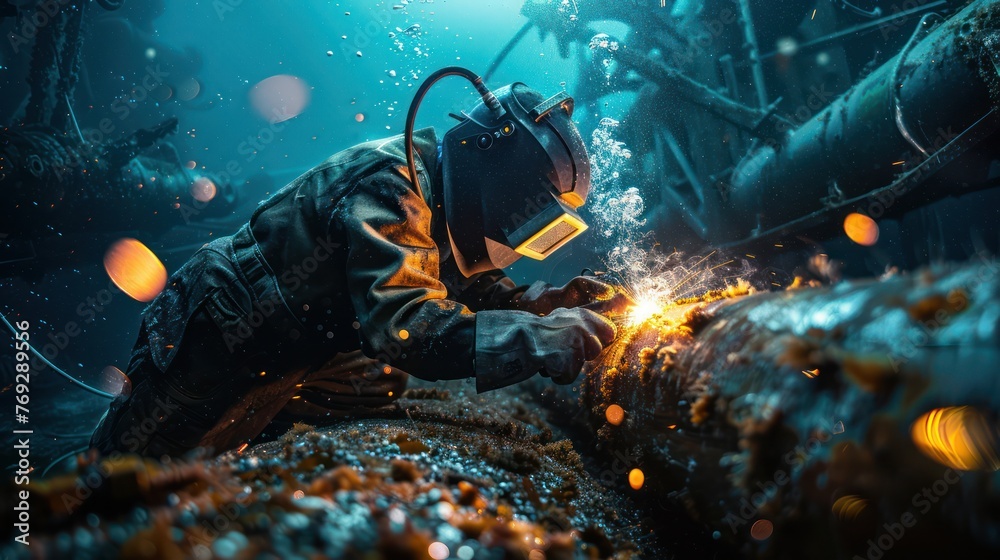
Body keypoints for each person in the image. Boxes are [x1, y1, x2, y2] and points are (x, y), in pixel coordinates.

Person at [90, 71, 632, 457]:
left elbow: (456, 279)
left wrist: (541, 306)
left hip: (307, 337)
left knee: (375, 382)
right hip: (228, 331)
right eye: (526, 223)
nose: (516, 241)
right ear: (492, 169)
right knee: (132, 471)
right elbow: (406, 325)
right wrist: (534, 339)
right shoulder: (394, 187)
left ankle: (265, 431)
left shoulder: (443, 194)